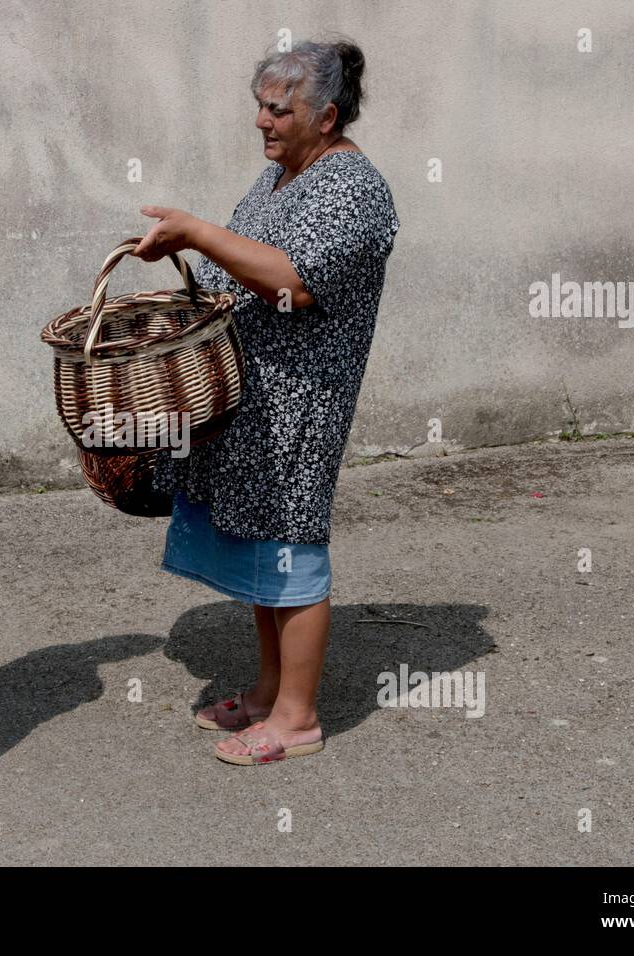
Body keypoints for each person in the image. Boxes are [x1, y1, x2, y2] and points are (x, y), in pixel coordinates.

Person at [135, 38, 399, 765]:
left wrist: (199, 231)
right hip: (253, 399)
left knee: (291, 552)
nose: (262, 121)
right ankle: (265, 694)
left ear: (326, 116)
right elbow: (240, 265)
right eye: (259, 105)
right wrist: (189, 258)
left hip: (301, 403)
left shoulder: (353, 186)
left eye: (279, 110)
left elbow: (295, 281)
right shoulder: (279, 177)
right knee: (259, 553)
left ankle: (297, 720)